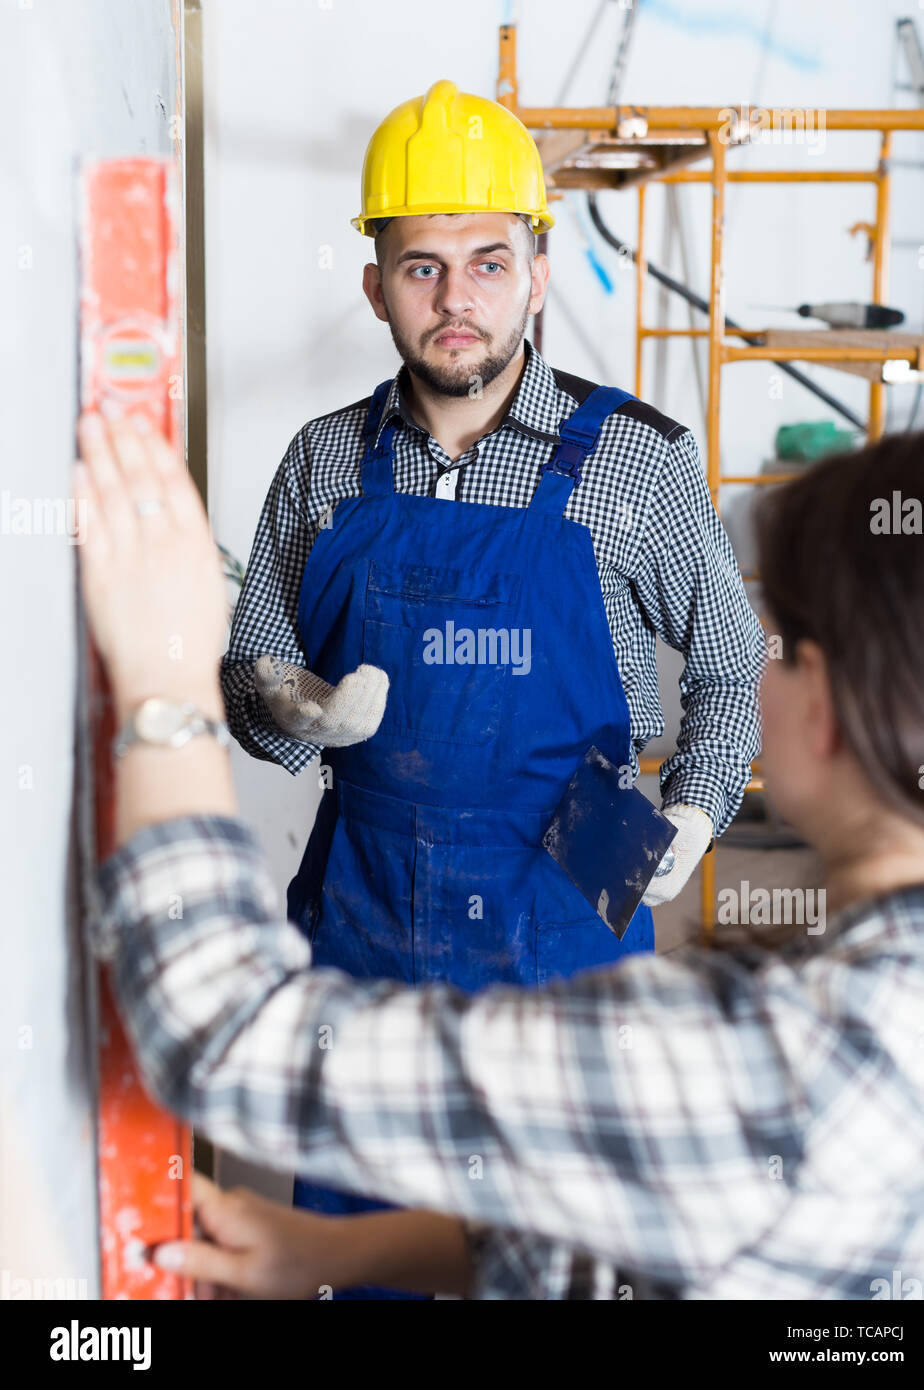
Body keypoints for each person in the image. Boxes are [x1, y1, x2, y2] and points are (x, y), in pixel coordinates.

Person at [74, 411, 924, 1299]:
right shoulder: (891, 999)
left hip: (554, 910)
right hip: (363, 896)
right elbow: (658, 1217)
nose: (764, 674)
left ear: (839, 707)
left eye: (786, 645)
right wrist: (344, 1257)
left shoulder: (774, 1053)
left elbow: (225, 1036)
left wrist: (161, 685)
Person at [217, 79, 763, 1284]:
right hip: (365, 926)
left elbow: (732, 661)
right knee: (361, 1257)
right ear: (374, 284)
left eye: (487, 261)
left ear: (539, 268)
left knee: (560, 1254)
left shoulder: (634, 464)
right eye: (421, 267)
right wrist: (283, 704)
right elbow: (249, 673)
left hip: (571, 902)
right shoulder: (322, 464)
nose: (456, 300)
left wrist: (698, 809)